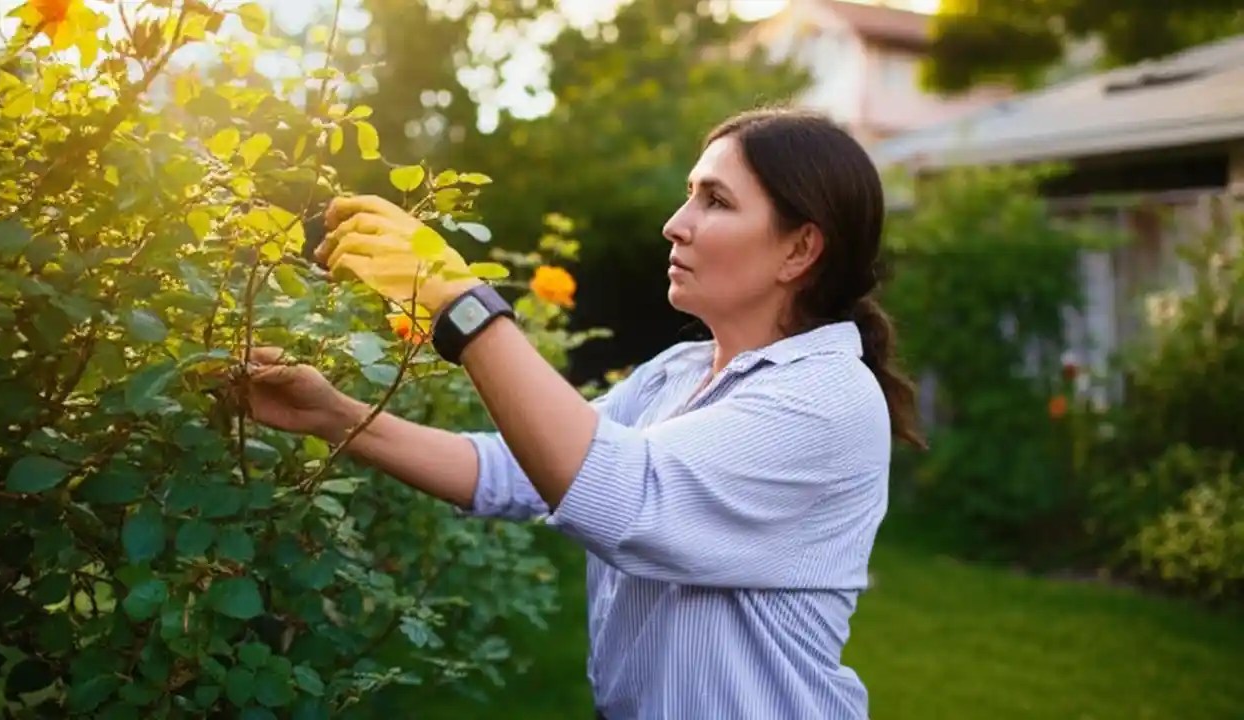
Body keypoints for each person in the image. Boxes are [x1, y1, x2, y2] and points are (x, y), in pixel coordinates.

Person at [245, 106, 926, 720]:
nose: (676, 223)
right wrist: (336, 416)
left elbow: (621, 495)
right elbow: (518, 469)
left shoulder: (827, 399)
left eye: (716, 200)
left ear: (799, 249)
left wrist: (463, 305)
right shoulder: (679, 372)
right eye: (690, 193)